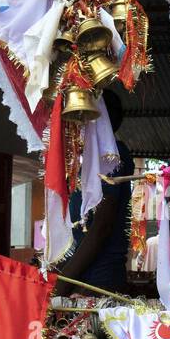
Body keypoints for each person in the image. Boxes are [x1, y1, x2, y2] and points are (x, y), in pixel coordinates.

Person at [61, 90, 134, 294]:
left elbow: (101, 227)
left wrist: (63, 283)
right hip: (82, 277)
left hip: (99, 281)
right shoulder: (86, 162)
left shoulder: (113, 158)